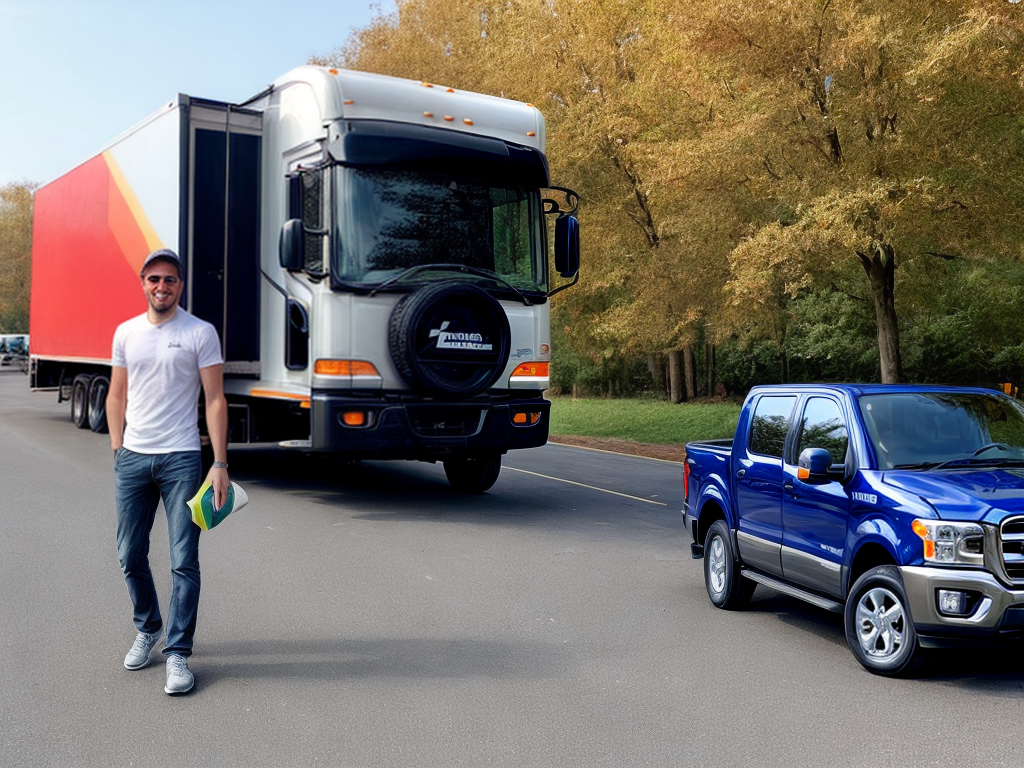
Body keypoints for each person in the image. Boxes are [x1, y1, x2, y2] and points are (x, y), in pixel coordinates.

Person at [106, 248, 230, 695]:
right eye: (154, 279)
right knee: (129, 554)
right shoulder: (126, 333)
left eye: (170, 279)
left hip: (182, 458)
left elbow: (215, 399)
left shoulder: (200, 332)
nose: (162, 286)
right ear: (143, 282)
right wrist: (118, 448)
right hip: (133, 457)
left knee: (184, 560)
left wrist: (219, 463)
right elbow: (116, 394)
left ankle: (178, 652)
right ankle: (148, 627)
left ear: (180, 285)